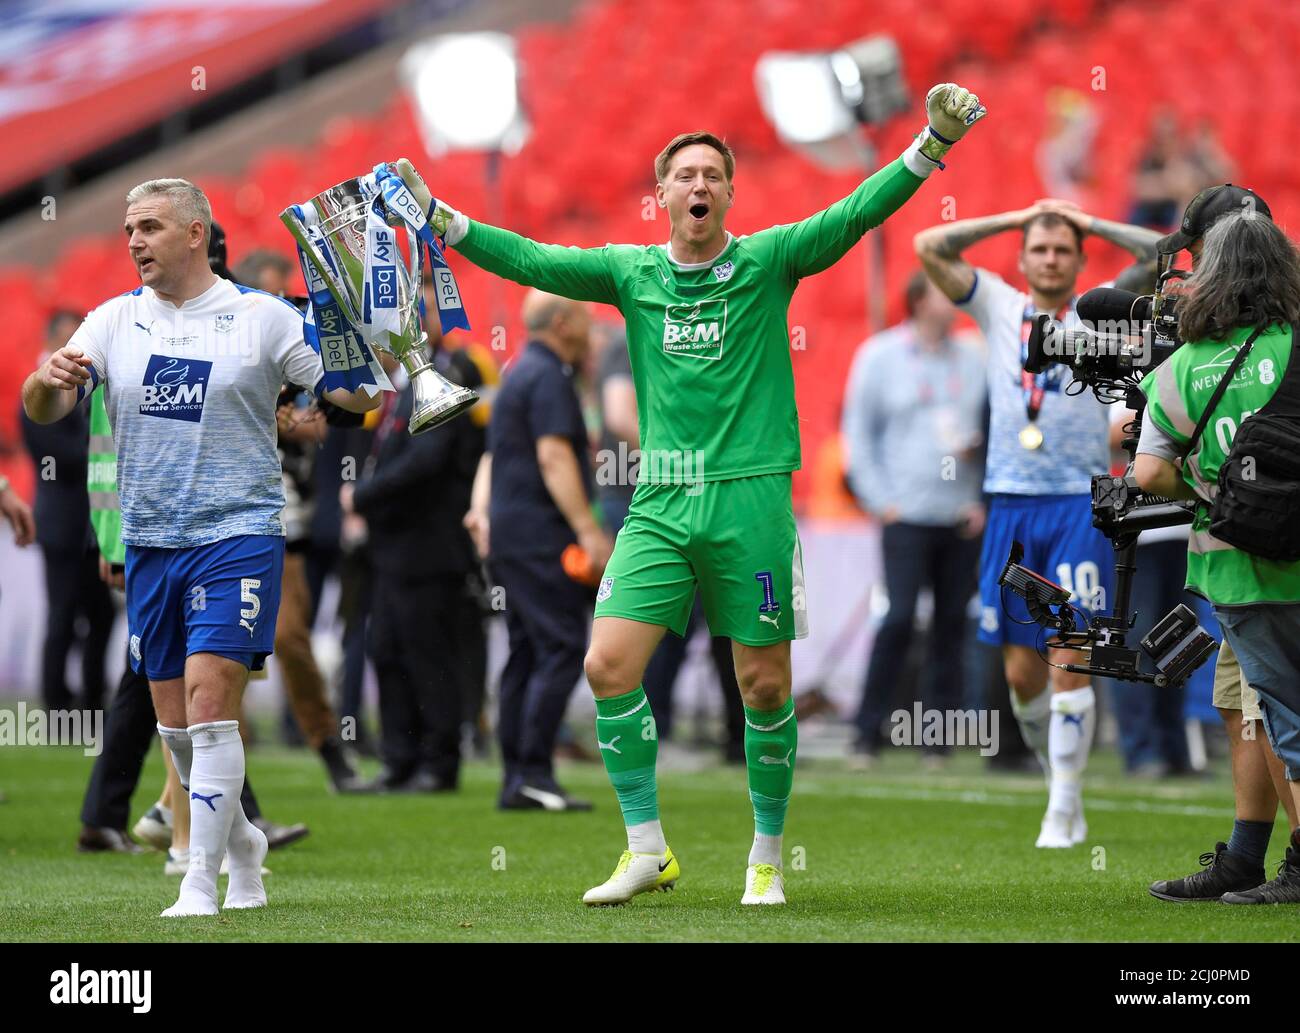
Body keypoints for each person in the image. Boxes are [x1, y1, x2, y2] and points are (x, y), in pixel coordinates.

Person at [431, 82, 988, 904]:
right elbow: (534, 262)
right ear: (660, 194)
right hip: (659, 500)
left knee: (761, 685)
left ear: (730, 192)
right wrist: (444, 220)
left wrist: (929, 146)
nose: (698, 186)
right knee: (607, 664)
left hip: (752, 497)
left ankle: (765, 854)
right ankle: (647, 848)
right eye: (684, 175)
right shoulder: (632, 272)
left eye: (711, 176)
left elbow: (855, 214)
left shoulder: (766, 262)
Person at [21, 177, 380, 917]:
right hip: (152, 541)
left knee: (211, 703)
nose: (134, 242)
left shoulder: (263, 318)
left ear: (194, 233)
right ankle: (245, 842)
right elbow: (45, 402)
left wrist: (365, 358)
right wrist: (45, 380)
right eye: (128, 229)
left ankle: (199, 879)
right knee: (176, 726)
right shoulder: (113, 321)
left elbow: (351, 399)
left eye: (149, 227)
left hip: (238, 532)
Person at [915, 198, 1162, 847]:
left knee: (1070, 654)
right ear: (1023, 259)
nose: (1051, 258)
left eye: (1062, 249)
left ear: (1080, 260)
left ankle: (1062, 804)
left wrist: (1086, 220)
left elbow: (1161, 254)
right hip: (1010, 506)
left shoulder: (1098, 308)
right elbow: (929, 245)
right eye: (1040, 248)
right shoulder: (996, 303)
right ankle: (1057, 770)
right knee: (1021, 672)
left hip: (1078, 505)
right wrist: (1023, 213)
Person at [1136, 198, 1300, 903]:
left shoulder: (1182, 369)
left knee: (1285, 720)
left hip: (1233, 567)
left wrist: (1211, 494)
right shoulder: (1296, 345)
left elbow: (1146, 474)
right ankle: (1249, 858)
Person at [467, 290, 607, 812]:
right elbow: (553, 456)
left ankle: (520, 778)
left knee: (527, 652)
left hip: (513, 536)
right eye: (587, 319)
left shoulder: (521, 372)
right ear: (564, 322)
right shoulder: (547, 377)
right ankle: (533, 770)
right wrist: (588, 532)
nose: (593, 330)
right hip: (541, 538)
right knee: (561, 647)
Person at [842, 272, 986, 766]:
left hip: (959, 515)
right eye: (947, 291)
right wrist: (881, 501)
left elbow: (993, 430)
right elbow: (858, 434)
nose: (958, 300)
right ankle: (866, 731)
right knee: (898, 619)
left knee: (950, 625)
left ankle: (936, 741)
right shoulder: (880, 356)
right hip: (904, 512)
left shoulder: (975, 357)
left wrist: (980, 497)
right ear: (920, 300)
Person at [343, 340, 485, 793]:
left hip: (427, 549)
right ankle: (399, 760)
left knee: (429, 656)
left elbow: (428, 460)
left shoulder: (435, 384)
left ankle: (439, 763)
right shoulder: (397, 393)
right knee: (386, 650)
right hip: (392, 550)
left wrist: (362, 496)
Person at [20, 309, 116, 713]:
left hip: (96, 523)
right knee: (62, 614)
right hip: (62, 524)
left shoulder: (86, 392)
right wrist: (105, 452)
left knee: (101, 614)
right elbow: (59, 453)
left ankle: (93, 699)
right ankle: (56, 704)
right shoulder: (41, 391)